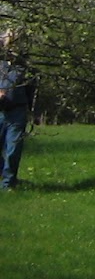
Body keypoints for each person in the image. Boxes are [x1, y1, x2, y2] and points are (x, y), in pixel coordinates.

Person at [0, 27, 36, 190]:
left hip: (17, 111)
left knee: (13, 148)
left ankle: (8, 184)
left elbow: (32, 90)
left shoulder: (25, 67)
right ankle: (4, 174)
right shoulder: (0, 65)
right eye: (8, 41)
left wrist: (31, 111)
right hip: (0, 111)